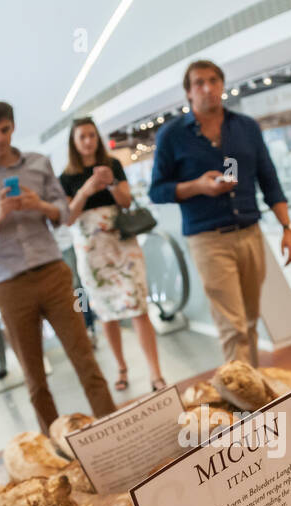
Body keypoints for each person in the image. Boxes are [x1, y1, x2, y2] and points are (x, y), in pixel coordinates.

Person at [0, 101, 116, 433]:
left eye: (4, 130)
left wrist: (38, 204)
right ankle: (54, 450)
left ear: (12, 128)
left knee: (84, 358)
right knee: (34, 378)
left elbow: (64, 214)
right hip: (10, 285)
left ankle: (113, 433)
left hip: (53, 273)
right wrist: (0, 215)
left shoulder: (39, 164)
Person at [149, 59, 291, 366]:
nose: (208, 88)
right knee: (233, 327)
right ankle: (244, 405)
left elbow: (269, 179)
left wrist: (287, 228)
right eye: (199, 83)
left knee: (252, 320)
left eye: (214, 80)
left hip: (250, 233)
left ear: (222, 85)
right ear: (189, 93)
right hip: (209, 239)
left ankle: (253, 387)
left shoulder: (244, 127)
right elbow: (157, 190)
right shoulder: (172, 135)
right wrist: (197, 186)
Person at [60, 117, 165, 392]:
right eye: (81, 136)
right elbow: (67, 218)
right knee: (106, 313)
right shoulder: (66, 177)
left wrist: (109, 183)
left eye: (91, 135)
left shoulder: (113, 164)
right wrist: (85, 189)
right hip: (92, 253)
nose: (87, 141)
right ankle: (121, 368)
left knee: (138, 307)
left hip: (122, 244)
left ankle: (155, 372)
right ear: (73, 141)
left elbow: (127, 200)